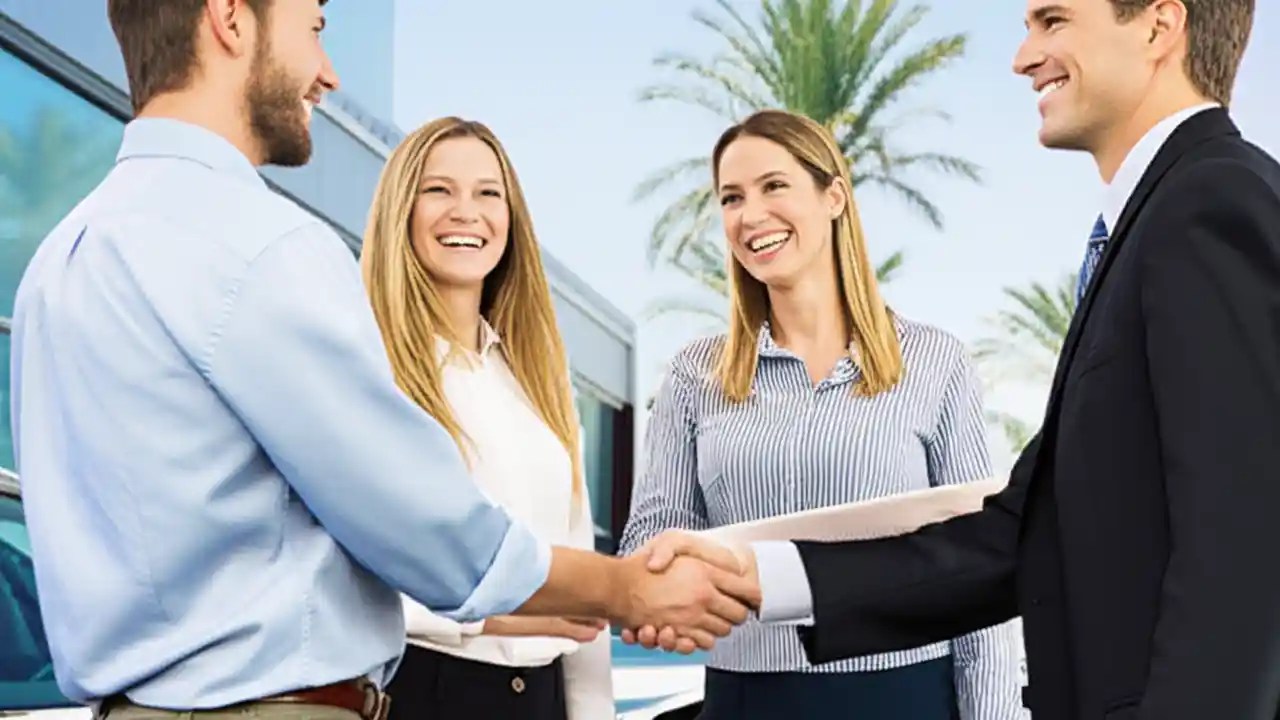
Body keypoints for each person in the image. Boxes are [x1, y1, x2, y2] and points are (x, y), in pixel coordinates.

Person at [8, 1, 757, 718]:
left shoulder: (59, 263)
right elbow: (429, 533)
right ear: (230, 17)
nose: (328, 72)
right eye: (314, 28)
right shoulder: (264, 247)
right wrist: (625, 590)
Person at [634, 0, 1280, 718]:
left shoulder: (1208, 204)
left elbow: (1245, 552)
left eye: (1053, 20)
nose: (1022, 56)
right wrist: (761, 576)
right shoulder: (1155, 223)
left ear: (1160, 26)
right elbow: (1016, 535)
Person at [618, 108, 1025, 720]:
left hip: (904, 697)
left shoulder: (935, 364)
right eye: (732, 198)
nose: (751, 215)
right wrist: (658, 574)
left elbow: (978, 570)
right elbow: (650, 541)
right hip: (747, 700)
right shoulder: (693, 378)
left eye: (774, 186)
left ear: (833, 195)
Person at [361, 116, 614, 720]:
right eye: (439, 190)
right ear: (403, 209)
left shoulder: (541, 381)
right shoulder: (367, 367)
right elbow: (355, 580)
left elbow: (581, 580)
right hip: (424, 692)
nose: (465, 212)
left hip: (544, 698)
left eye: (487, 194)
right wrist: (505, 611)